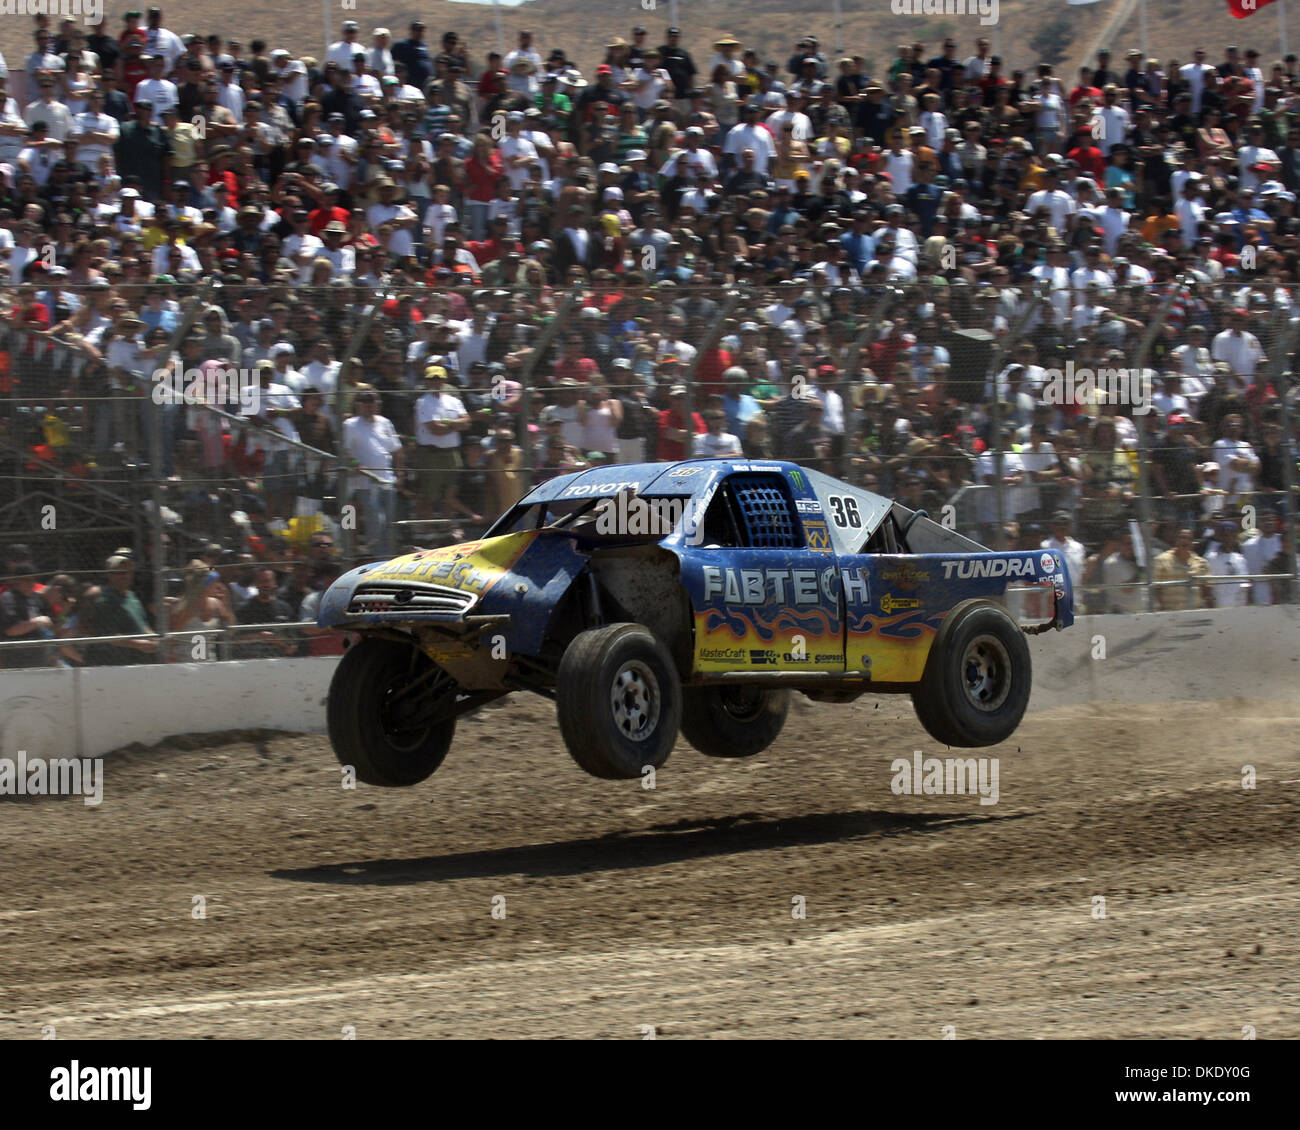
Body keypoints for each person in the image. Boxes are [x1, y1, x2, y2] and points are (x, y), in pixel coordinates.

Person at [341, 387, 402, 556]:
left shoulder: (385, 422)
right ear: (358, 405)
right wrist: (355, 463)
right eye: (365, 402)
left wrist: (400, 474)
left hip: (387, 480)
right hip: (364, 483)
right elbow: (344, 451)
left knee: (390, 522)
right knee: (375, 521)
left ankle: (388, 555)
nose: (369, 405)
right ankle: (375, 555)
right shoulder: (350, 425)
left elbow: (396, 449)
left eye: (372, 401)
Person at [85, 555, 158, 665]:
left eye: (128, 571)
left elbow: (143, 624)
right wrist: (139, 644)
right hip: (113, 664)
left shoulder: (132, 597)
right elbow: (110, 637)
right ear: (109, 574)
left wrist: (154, 637)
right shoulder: (105, 600)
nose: (125, 576)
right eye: (119, 573)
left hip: (138, 662)